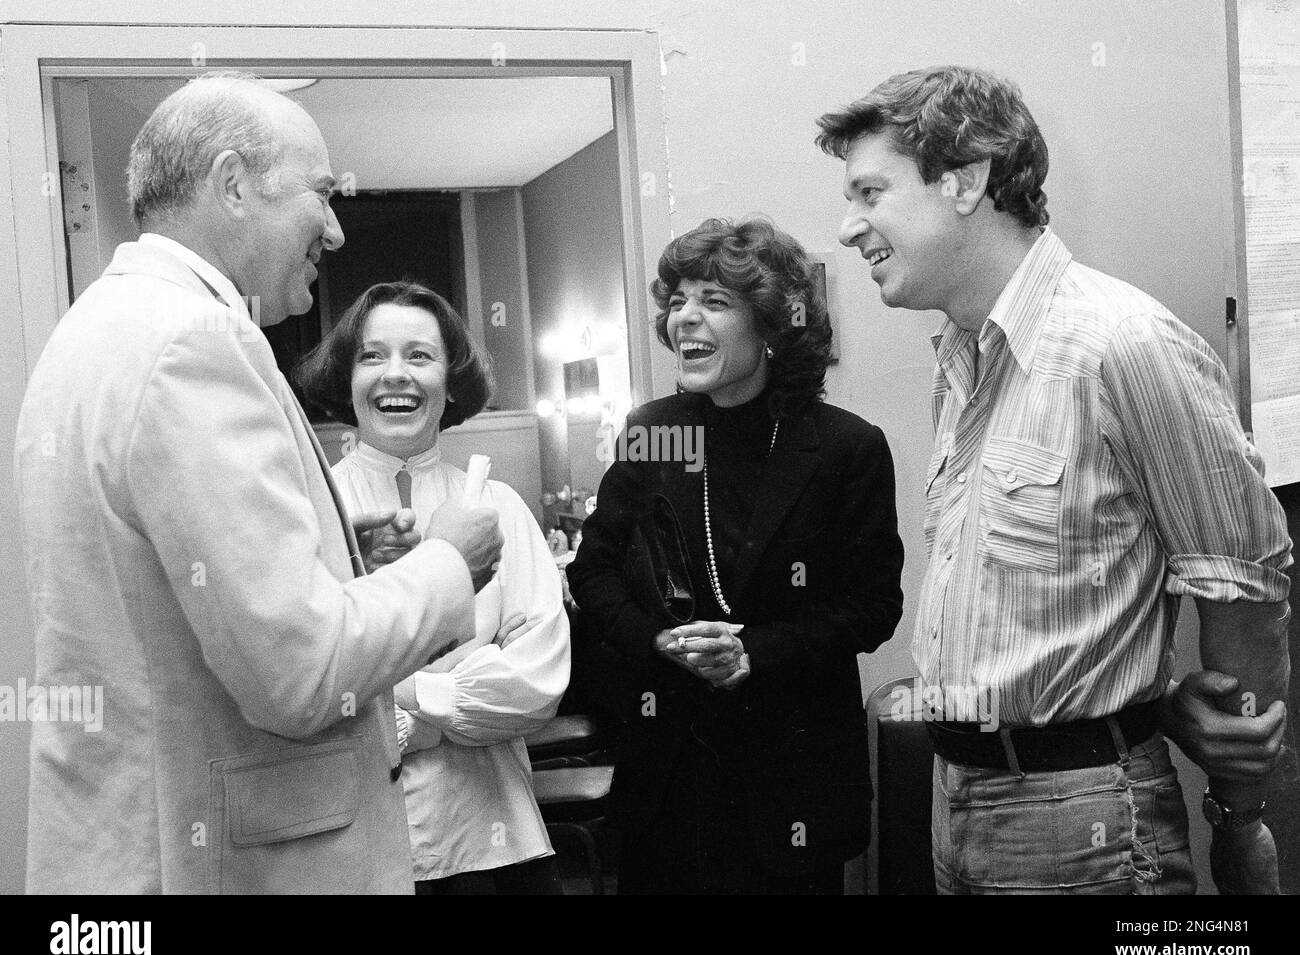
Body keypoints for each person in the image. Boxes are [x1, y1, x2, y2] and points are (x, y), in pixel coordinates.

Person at [13, 73, 503, 893]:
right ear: (233, 183)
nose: (338, 231)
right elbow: (299, 676)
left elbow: (175, 604)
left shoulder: (93, 329)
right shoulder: (193, 344)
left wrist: (343, 569)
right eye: (321, 193)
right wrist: (447, 564)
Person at [817, 65, 1292, 894]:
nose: (848, 227)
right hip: (957, 799)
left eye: (868, 192)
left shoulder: (1124, 345)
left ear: (962, 181)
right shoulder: (960, 359)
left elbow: (1243, 591)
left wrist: (1239, 818)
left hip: (1085, 828)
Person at [566, 217, 905, 894]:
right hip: (667, 784)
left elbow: (874, 606)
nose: (684, 319)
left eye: (714, 302)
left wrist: (759, 651)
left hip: (793, 785)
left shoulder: (844, 448)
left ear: (775, 325)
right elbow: (593, 570)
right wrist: (660, 640)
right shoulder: (656, 432)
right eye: (679, 302)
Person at [295, 281, 570, 893]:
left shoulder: (500, 507)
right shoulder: (308, 511)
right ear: (346, 379)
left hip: (489, 843)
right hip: (348, 852)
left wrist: (403, 700)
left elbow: (536, 682)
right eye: (372, 356)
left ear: (452, 384)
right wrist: (461, 688)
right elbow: (301, 681)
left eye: (420, 356)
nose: (396, 375)